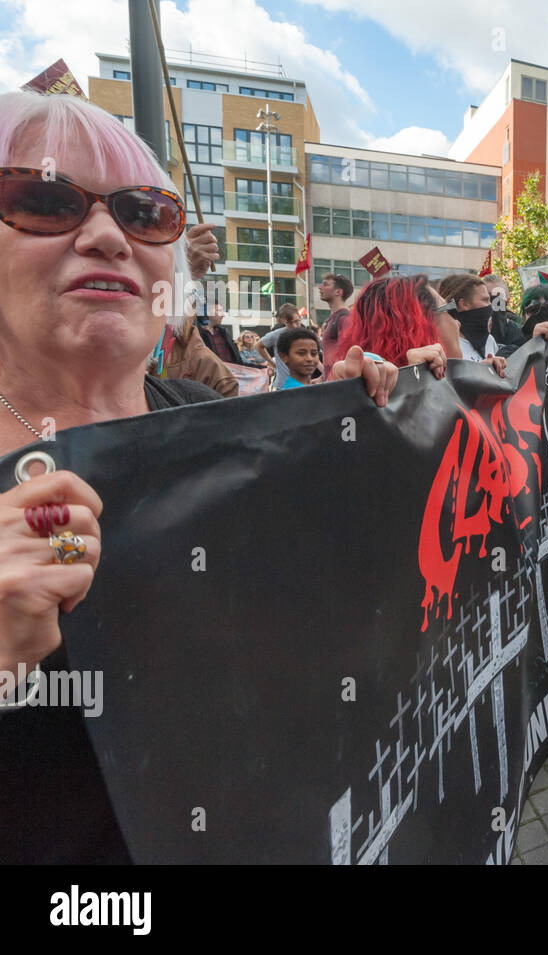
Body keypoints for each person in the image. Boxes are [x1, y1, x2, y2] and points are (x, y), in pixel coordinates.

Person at [0, 89, 400, 864]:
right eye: (46, 200)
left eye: (144, 213)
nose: (108, 235)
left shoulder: (190, 411)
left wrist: (367, 421)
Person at [257, 302, 302, 386]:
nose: (294, 326)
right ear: (283, 321)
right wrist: (273, 363)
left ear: (300, 317)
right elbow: (259, 346)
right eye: (290, 323)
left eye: (296, 321)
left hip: (301, 383)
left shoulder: (305, 334)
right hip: (283, 384)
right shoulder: (277, 335)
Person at [317, 272, 354, 369]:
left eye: (326, 284)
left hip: (339, 381)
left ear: (338, 292)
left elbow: (348, 355)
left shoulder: (344, 318)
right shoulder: (331, 319)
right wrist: (321, 378)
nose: (320, 287)